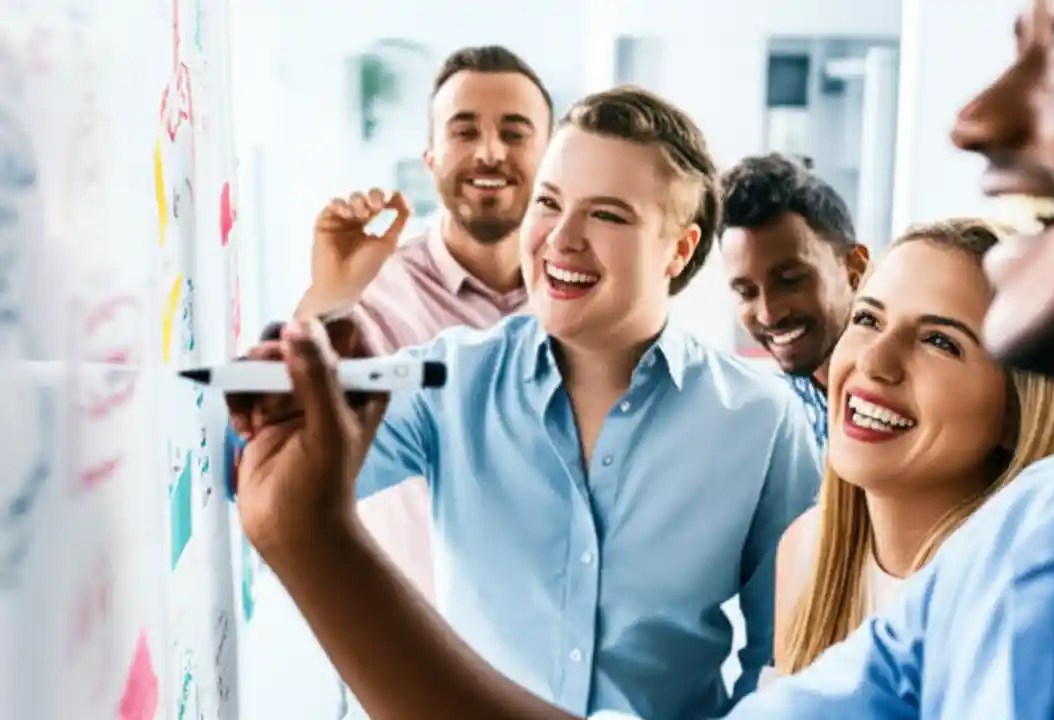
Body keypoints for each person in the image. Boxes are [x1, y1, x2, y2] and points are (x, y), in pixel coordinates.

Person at [230, 0, 1054, 717]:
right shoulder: (1040, 545)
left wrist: (312, 544)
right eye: (867, 319)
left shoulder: (761, 425)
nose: (978, 118)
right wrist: (309, 534)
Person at [231, 86, 821, 720]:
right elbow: (263, 464)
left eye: (608, 215)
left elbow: (786, 660)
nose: (560, 238)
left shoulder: (761, 420)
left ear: (678, 249)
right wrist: (325, 306)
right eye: (548, 202)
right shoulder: (449, 378)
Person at [772, 218, 1054, 676]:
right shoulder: (805, 552)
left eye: (939, 342)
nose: (873, 362)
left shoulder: (1037, 608)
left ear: (1018, 414)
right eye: (867, 319)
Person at [295, 45, 553, 601]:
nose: (489, 152)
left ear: (549, 157)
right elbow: (289, 438)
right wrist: (330, 294)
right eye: (464, 132)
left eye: (515, 132)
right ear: (431, 156)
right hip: (407, 652)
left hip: (555, 661)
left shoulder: (585, 292)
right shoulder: (373, 290)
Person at [719, 154, 869, 449]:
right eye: (746, 292)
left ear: (854, 267)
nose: (769, 314)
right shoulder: (775, 415)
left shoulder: (906, 391)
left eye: (791, 280)